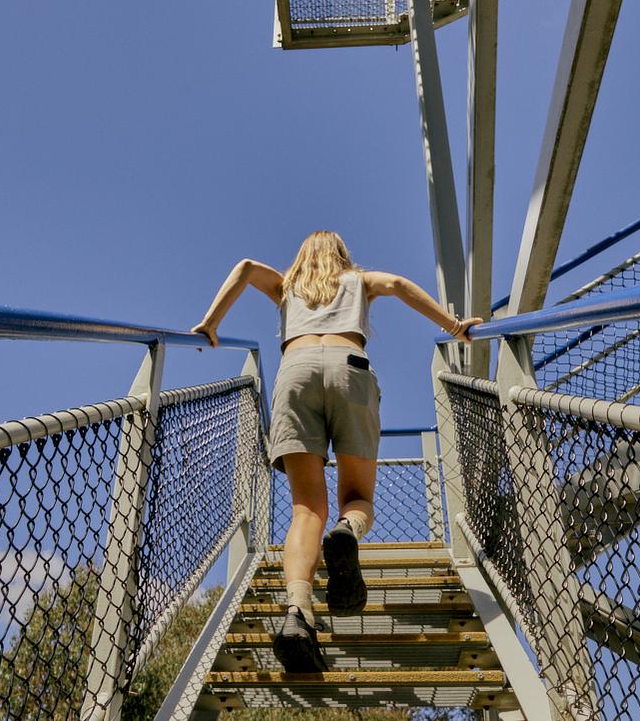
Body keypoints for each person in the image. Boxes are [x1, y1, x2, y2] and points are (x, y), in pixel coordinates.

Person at [191, 230, 481, 673]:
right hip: (351, 368)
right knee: (357, 498)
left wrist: (211, 323)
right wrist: (455, 327)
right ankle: (347, 531)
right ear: (343, 255)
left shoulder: (286, 284)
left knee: (307, 509)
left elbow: (246, 267)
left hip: (296, 371)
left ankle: (297, 611)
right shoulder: (358, 281)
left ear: (301, 256)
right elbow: (399, 284)